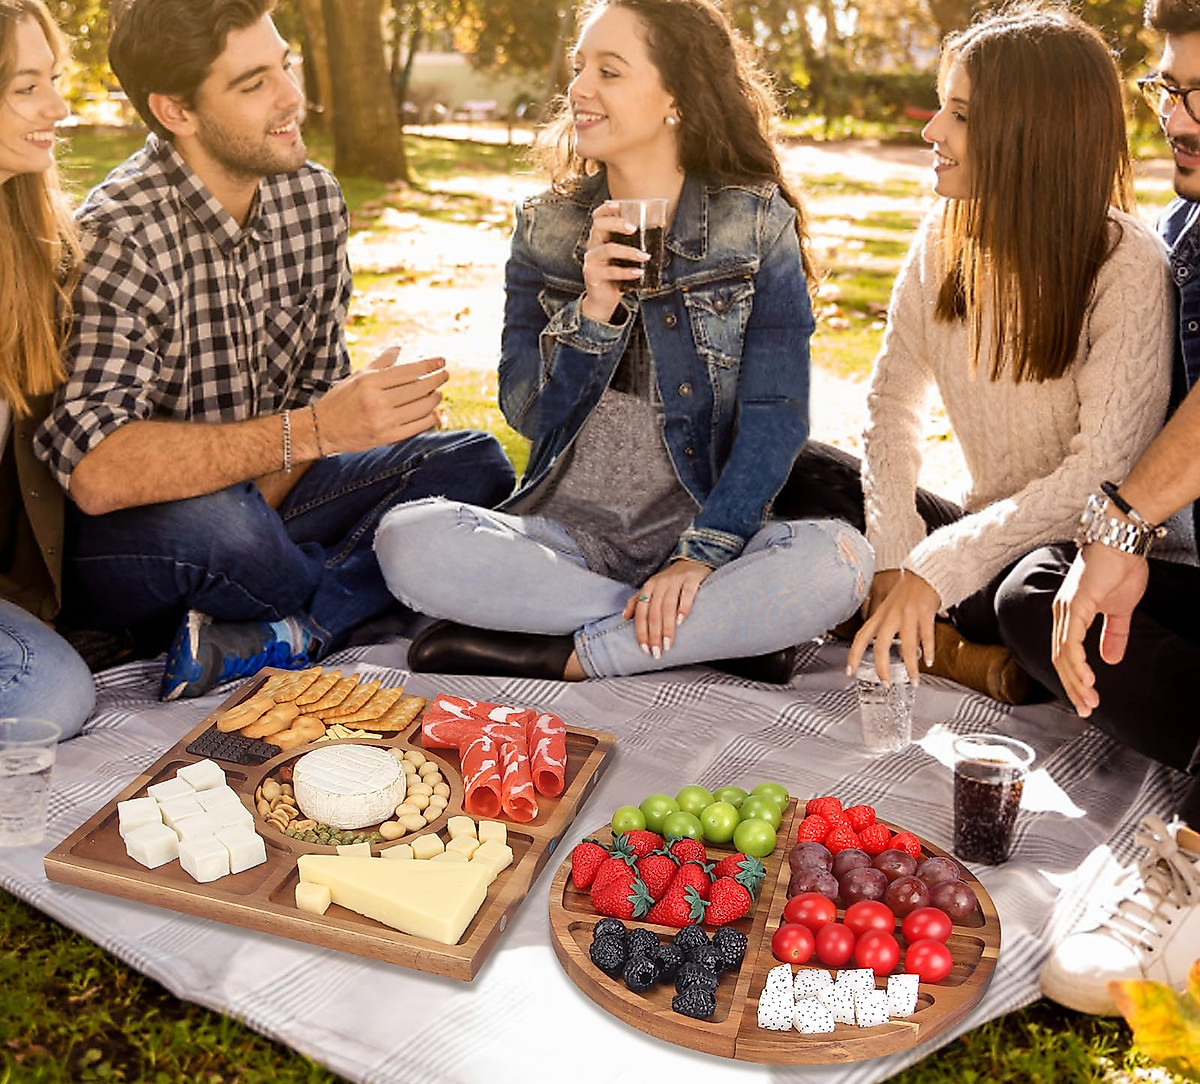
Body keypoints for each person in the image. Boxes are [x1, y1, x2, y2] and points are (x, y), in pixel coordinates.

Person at [373, 0, 871, 684]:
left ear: (677, 98)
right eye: (579, 68)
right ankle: (708, 634)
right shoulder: (546, 227)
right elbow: (527, 412)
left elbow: (775, 415)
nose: (579, 88)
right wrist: (593, 312)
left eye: (609, 71)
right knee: (406, 540)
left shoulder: (754, 224)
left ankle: (576, 654)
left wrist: (701, 556)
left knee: (841, 560)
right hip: (567, 541)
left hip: (705, 537)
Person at [34, 0, 514, 702]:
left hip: (276, 495)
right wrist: (316, 430)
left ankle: (293, 628)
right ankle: (317, 598)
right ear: (175, 111)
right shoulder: (120, 234)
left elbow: (319, 397)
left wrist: (341, 427)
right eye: (253, 82)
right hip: (151, 537)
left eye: (284, 65)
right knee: (234, 533)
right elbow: (96, 472)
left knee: (472, 462)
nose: (293, 96)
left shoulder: (312, 199)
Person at [833, 5, 1174, 708]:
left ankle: (943, 635)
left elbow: (1099, 479)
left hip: (1073, 554)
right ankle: (959, 650)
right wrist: (894, 555)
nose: (932, 131)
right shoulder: (941, 238)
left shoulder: (1125, 265)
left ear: (1030, 134)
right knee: (808, 480)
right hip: (977, 539)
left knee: (1029, 597)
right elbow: (892, 405)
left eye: (959, 115)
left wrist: (936, 566)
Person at [995, 0, 1200, 1016]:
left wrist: (1122, 523)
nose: (1179, 117)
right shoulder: (1180, 233)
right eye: (1170, 88)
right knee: (1038, 587)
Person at [0, 0, 94, 738]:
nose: (58, 108)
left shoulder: (35, 249)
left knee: (52, 693)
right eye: (26, 87)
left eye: (53, 80)